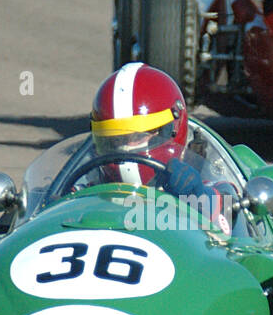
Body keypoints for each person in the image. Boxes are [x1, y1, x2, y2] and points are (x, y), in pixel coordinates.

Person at [88, 63, 234, 226]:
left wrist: (198, 198)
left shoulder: (208, 189)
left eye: (137, 136)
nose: (125, 147)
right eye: (114, 139)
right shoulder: (86, 192)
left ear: (171, 130)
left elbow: (233, 227)